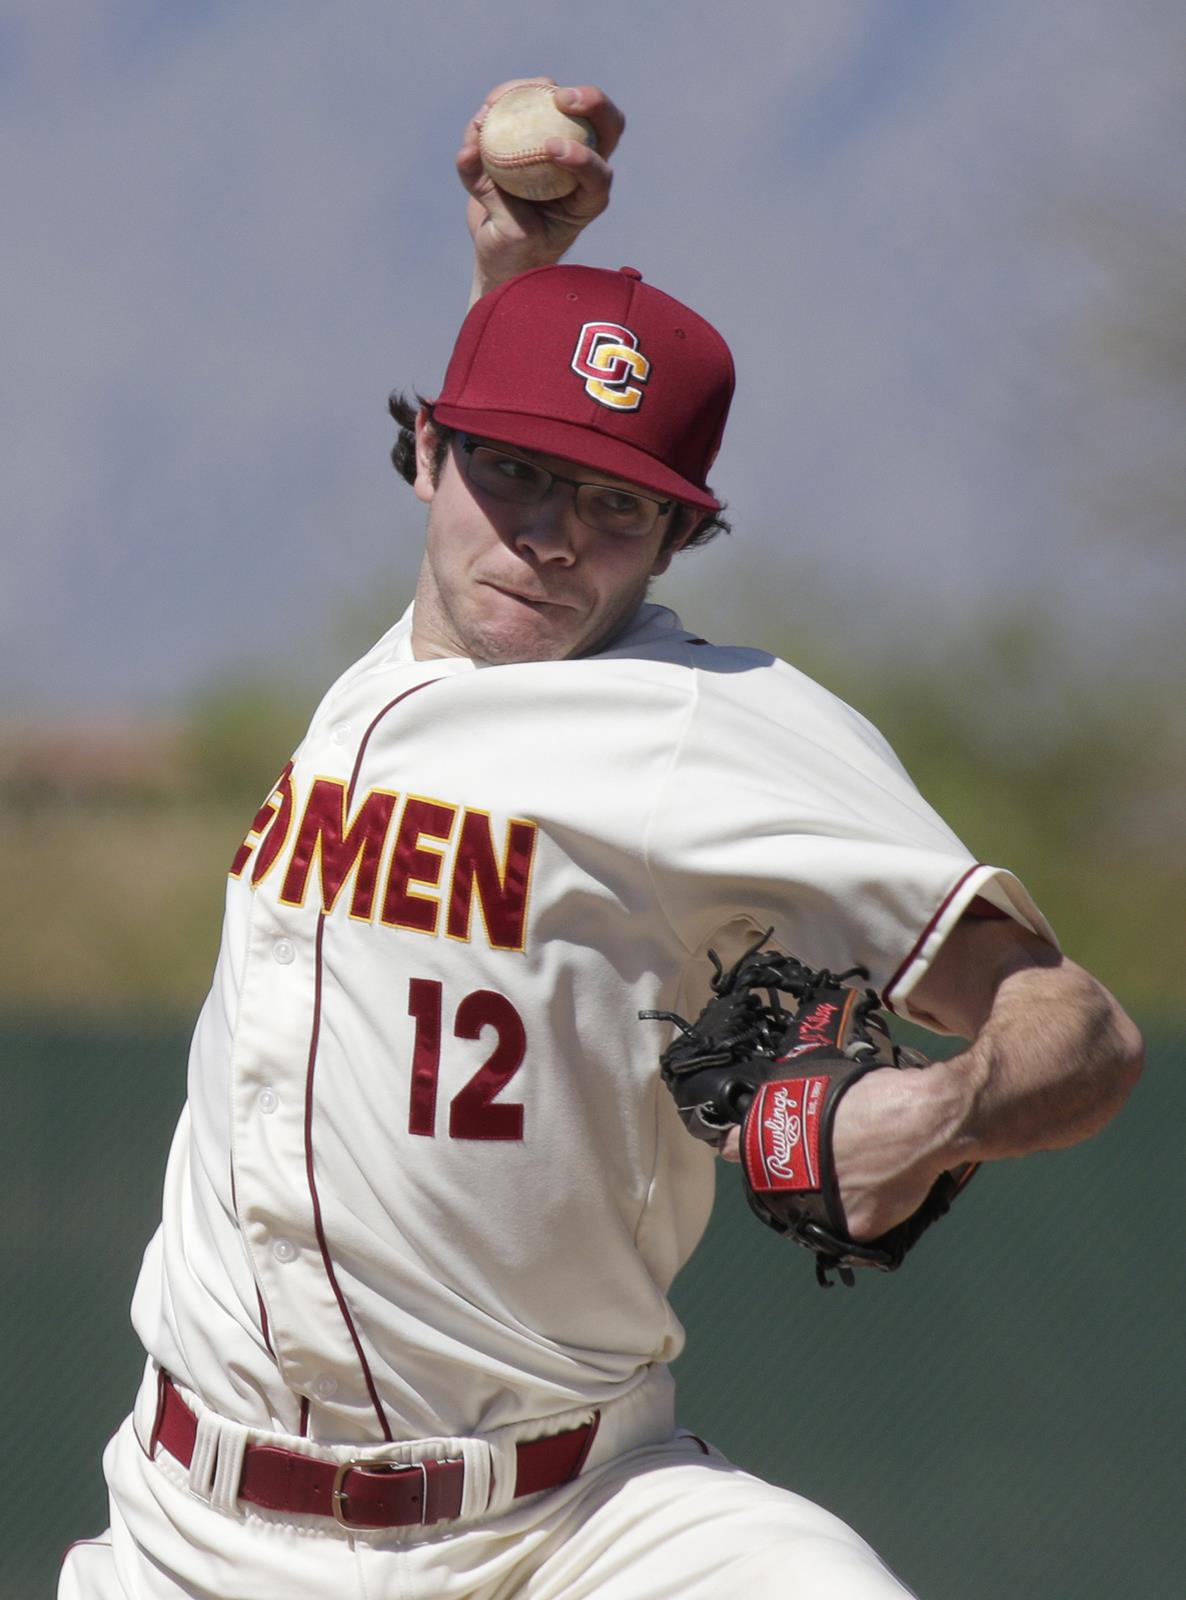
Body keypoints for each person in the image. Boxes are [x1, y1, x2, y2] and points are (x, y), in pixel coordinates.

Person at [60, 78, 1143, 1600]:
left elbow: (1074, 1023)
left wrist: (941, 1105)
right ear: (423, 453)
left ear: (679, 539)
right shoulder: (398, 665)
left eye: (617, 509)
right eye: (508, 473)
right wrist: (517, 263)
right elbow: (526, 424)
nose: (550, 534)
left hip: (571, 1527)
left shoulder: (708, 723)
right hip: (191, 1530)